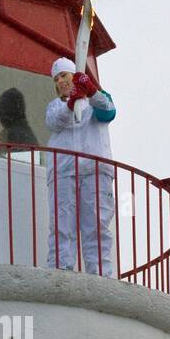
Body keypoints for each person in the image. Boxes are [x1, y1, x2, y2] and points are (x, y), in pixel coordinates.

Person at [45, 56, 116, 274]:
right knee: (61, 223)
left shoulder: (96, 101)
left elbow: (109, 112)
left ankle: (101, 274)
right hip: (64, 171)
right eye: (56, 79)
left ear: (74, 75)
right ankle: (60, 269)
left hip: (95, 171)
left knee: (96, 224)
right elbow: (55, 122)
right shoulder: (55, 106)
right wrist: (71, 103)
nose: (60, 82)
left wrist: (91, 91)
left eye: (64, 75)